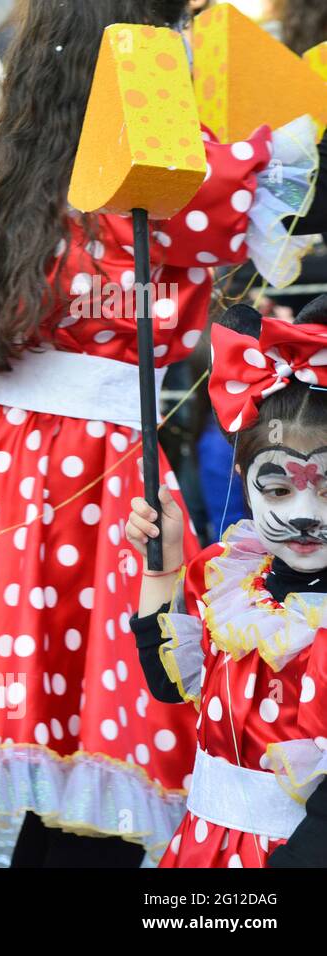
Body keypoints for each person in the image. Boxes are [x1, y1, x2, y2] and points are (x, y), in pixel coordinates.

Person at [0, 0, 324, 867]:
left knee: (79, 753)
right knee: (114, 743)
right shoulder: (177, 172)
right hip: (100, 468)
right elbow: (258, 178)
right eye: (172, 31)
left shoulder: (2, 180)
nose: (186, 46)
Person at [129, 298, 327, 867]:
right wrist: (162, 567)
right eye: (279, 489)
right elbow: (171, 686)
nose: (305, 514)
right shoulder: (232, 580)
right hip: (204, 849)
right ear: (244, 480)